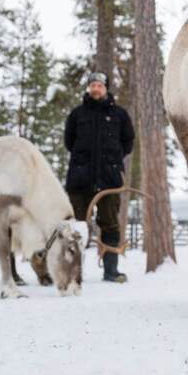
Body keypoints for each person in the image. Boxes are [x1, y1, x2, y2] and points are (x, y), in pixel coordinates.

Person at [64, 72, 135, 283]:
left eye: (100, 86)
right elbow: (69, 142)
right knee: (77, 226)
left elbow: (128, 142)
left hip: (110, 181)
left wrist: (112, 161)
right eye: (93, 85)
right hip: (79, 180)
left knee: (110, 224)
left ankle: (111, 271)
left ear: (106, 89)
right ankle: (74, 271)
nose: (96, 89)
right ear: (88, 88)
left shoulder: (119, 115)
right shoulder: (77, 114)